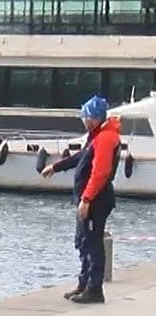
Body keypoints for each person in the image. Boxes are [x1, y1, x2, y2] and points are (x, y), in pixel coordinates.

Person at [40, 95, 120, 304]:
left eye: (85, 117)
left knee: (93, 243)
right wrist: (56, 167)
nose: (83, 121)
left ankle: (94, 289)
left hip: (96, 199)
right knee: (83, 240)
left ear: (93, 118)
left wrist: (86, 199)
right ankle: (84, 283)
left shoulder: (104, 138)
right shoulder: (96, 136)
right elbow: (81, 158)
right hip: (90, 197)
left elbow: (100, 173)